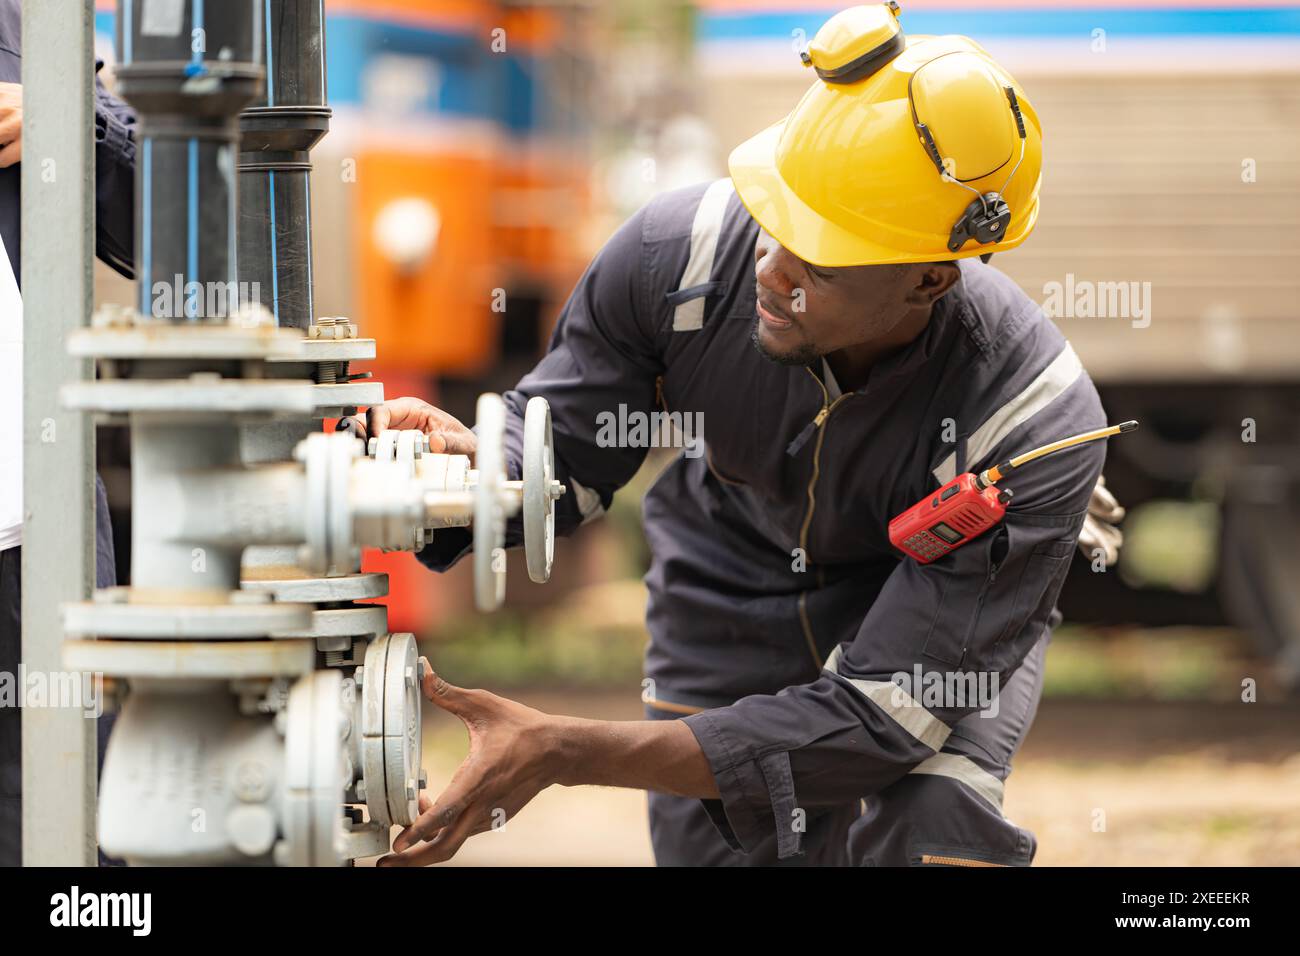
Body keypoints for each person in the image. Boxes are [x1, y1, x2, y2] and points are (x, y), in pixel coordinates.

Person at [359, 5, 1126, 867]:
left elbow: (880, 719)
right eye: (776, 217)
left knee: (925, 833)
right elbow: (566, 462)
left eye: (821, 261)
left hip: (928, 616)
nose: (770, 269)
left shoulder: (1030, 421)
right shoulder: (671, 261)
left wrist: (563, 748)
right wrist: (473, 472)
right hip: (725, 587)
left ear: (928, 280)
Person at [0, 0, 136, 866]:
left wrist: (61, 112)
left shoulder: (23, 18)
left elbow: (157, 220)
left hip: (24, 522)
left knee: (60, 831)